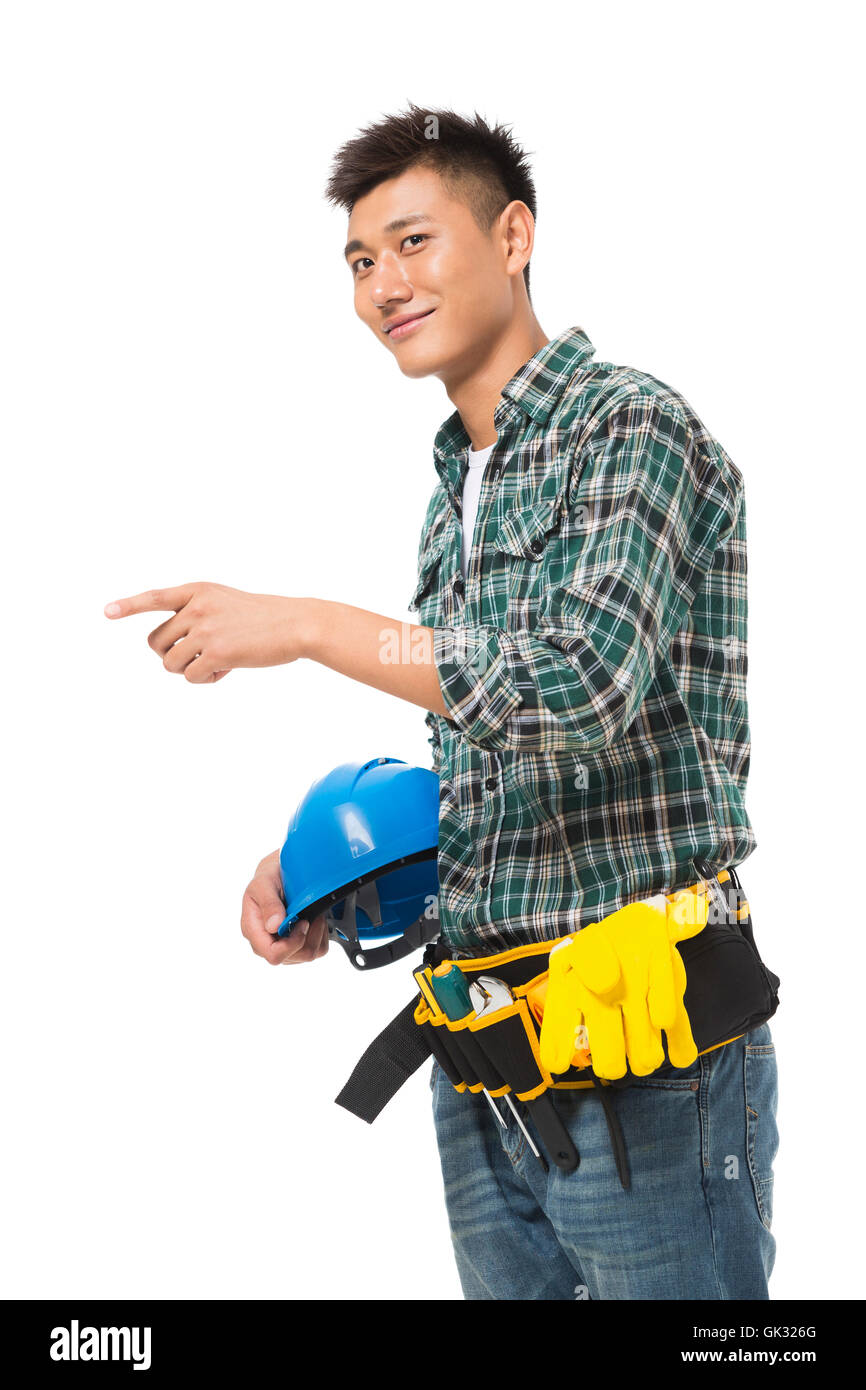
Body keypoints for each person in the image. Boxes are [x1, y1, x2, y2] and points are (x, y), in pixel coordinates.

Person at [104, 104, 779, 1300]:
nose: (381, 286)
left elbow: (576, 690)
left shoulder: (627, 427)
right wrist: (331, 869)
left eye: (412, 242)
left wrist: (307, 624)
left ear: (511, 234)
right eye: (361, 261)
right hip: (485, 1069)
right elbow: (507, 766)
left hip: (648, 1067)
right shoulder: (452, 491)